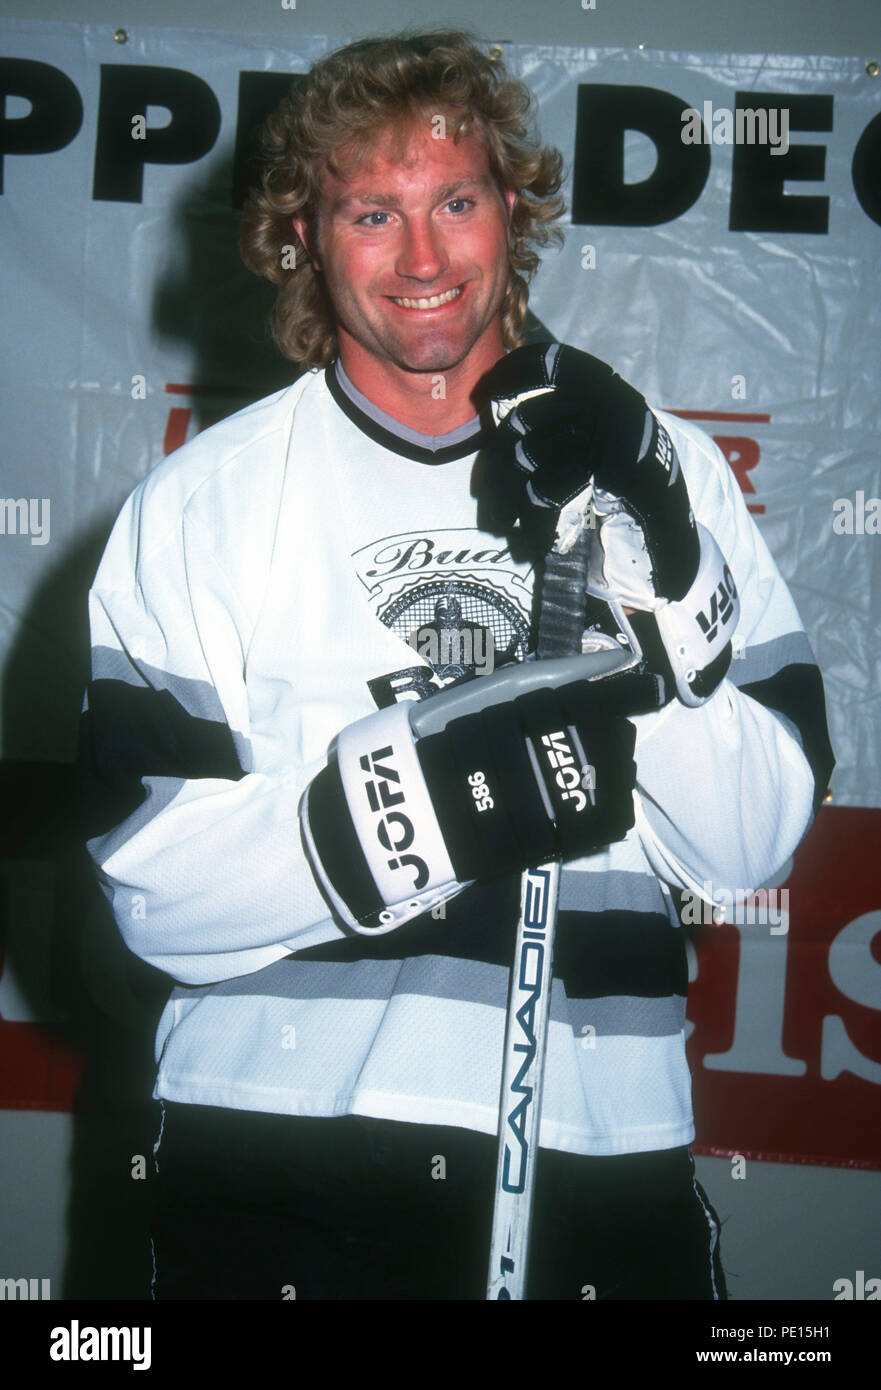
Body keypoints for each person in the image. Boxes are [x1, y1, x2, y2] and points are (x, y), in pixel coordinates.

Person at [78, 30, 834, 1300]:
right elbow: (148, 890)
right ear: (301, 238)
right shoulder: (201, 504)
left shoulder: (667, 473)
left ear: (512, 214)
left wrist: (652, 572)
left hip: (596, 1159)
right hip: (276, 1177)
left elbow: (751, 842)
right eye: (372, 212)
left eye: (456, 202)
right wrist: (426, 802)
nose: (423, 259)